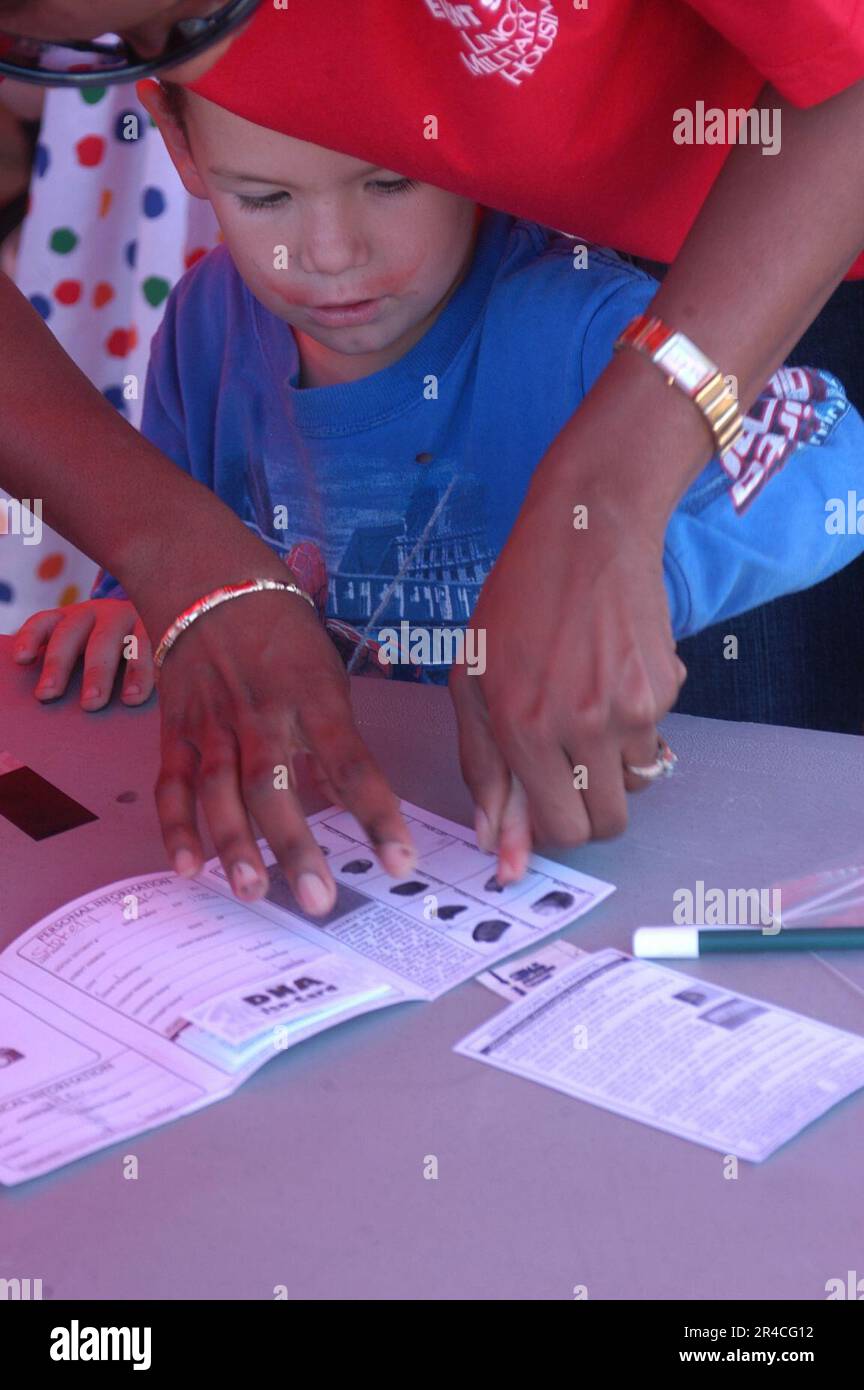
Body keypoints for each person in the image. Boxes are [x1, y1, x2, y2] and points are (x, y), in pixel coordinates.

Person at [1, 0, 863, 899]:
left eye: (389, 183)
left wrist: (645, 560)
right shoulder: (202, 328)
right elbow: (172, 541)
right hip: (354, 873)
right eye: (263, 199)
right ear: (179, 146)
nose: (330, 254)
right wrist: (134, 608)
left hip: (580, 872)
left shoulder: (583, 323)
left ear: (471, 144)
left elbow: (834, 456)